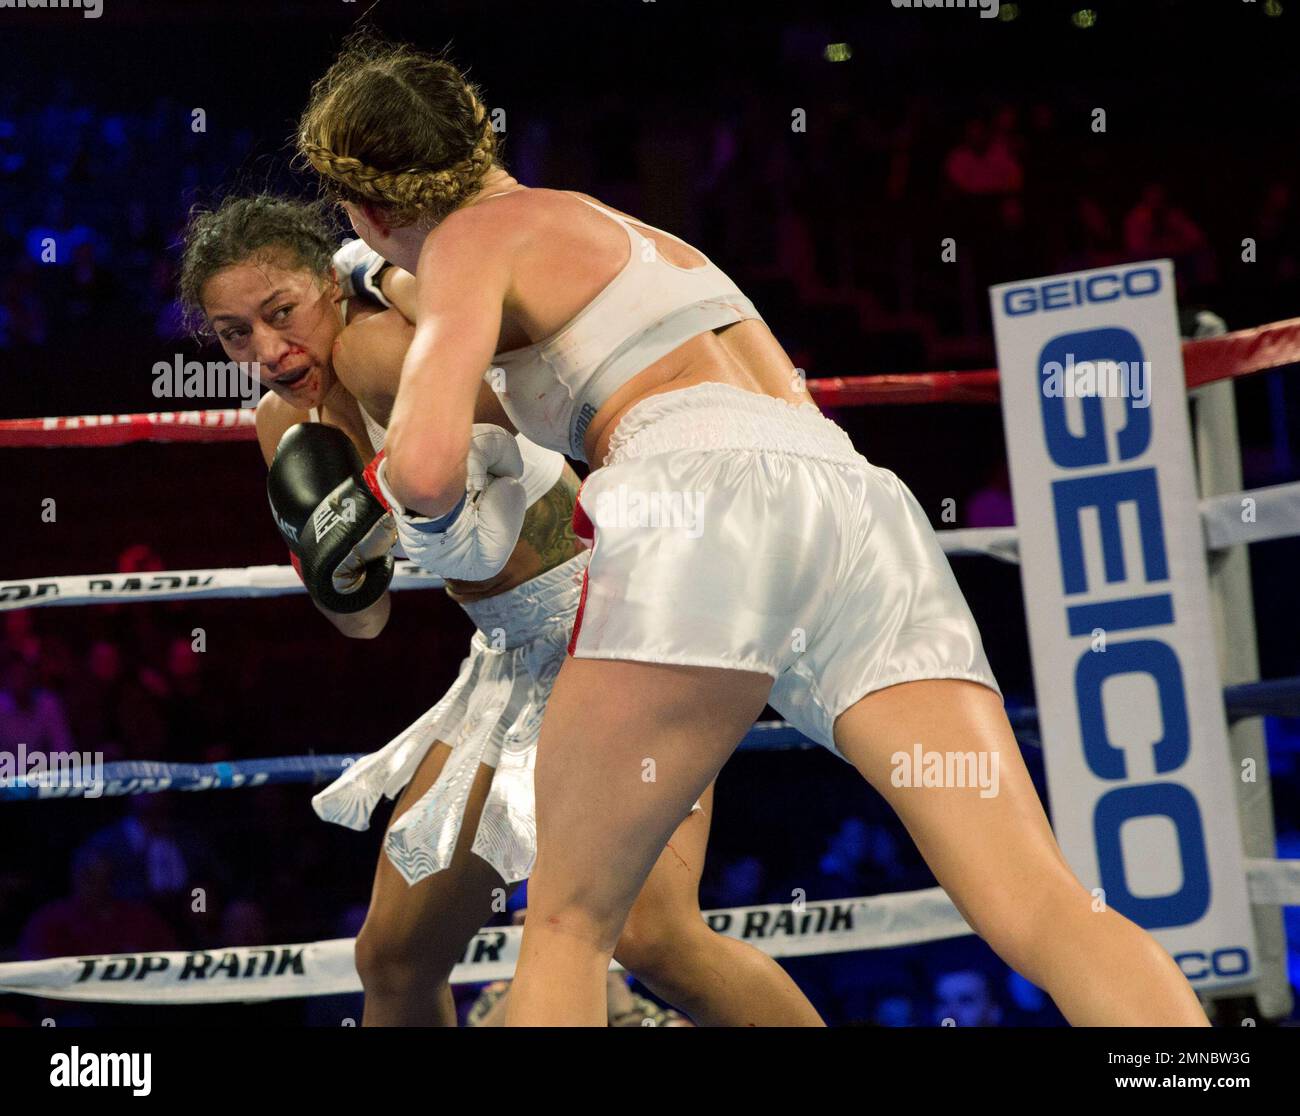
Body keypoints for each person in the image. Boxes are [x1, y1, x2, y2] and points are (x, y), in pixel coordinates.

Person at [296, 33, 1209, 1026]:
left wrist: (382, 512)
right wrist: (382, 279)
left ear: (375, 205)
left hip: (698, 499)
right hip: (854, 505)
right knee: (1041, 904)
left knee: (566, 925)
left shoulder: (470, 240)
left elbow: (426, 468)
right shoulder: (626, 233)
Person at [177, 194, 821, 1027]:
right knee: (396, 958)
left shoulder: (382, 349)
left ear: (330, 286)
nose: (267, 350)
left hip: (621, 618)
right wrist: (331, 555)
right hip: (510, 654)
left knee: (652, 934)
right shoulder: (283, 428)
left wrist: (393, 283)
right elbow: (363, 621)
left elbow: (520, 423)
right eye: (235, 334)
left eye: (281, 313)